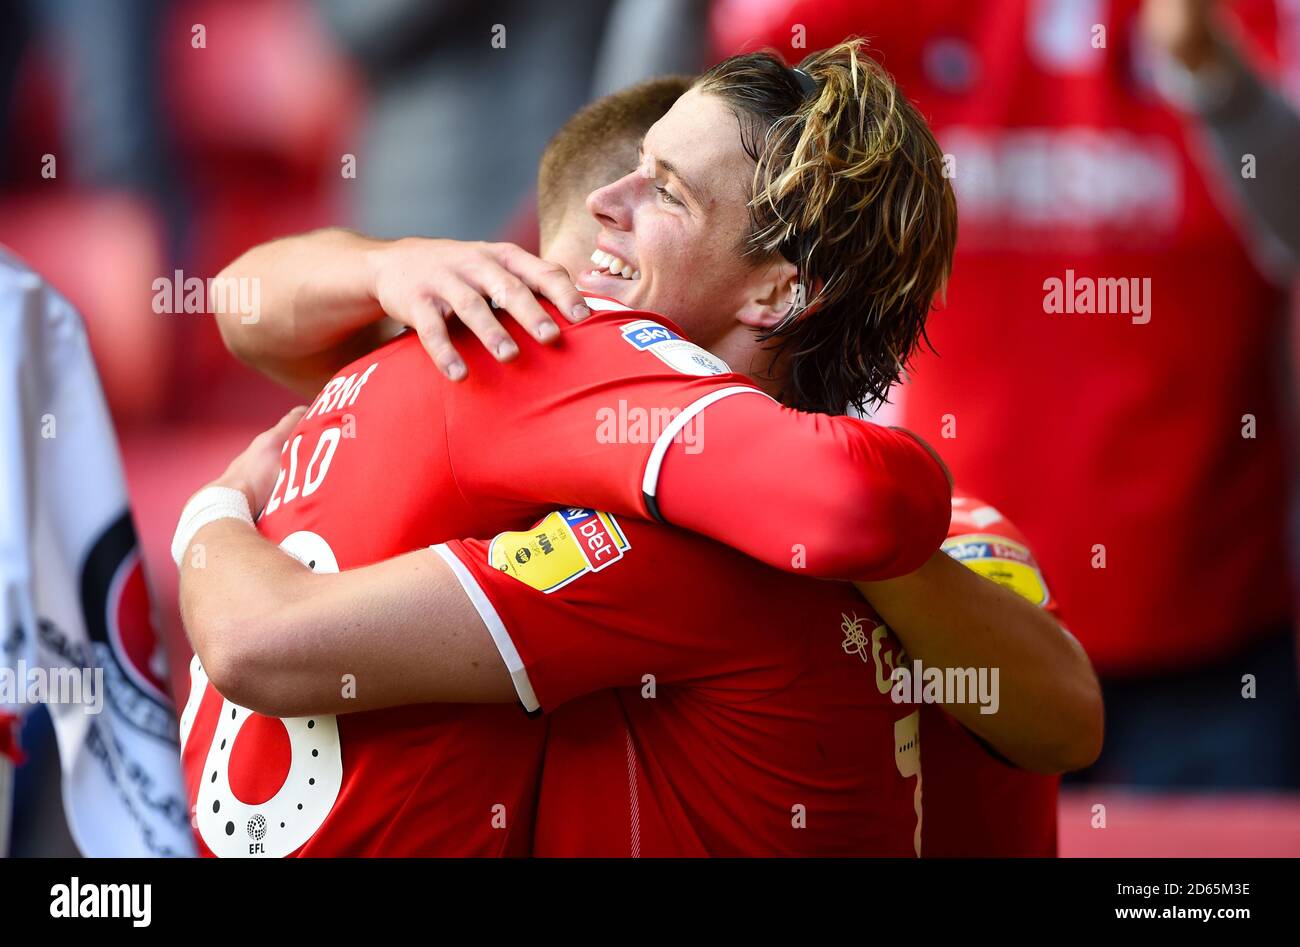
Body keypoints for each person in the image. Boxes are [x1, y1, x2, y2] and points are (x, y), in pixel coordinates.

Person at [183, 47, 1097, 856]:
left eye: (663, 190)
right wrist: (385, 263)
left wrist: (214, 510)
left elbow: (259, 640)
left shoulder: (671, 543)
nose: (556, 312)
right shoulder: (537, 410)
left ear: (777, 291)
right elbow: (246, 306)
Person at [714, 0, 1300, 788]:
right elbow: (687, 127)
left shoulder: (1246, 18)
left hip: (1213, 637)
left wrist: (1209, 69)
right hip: (955, 617)